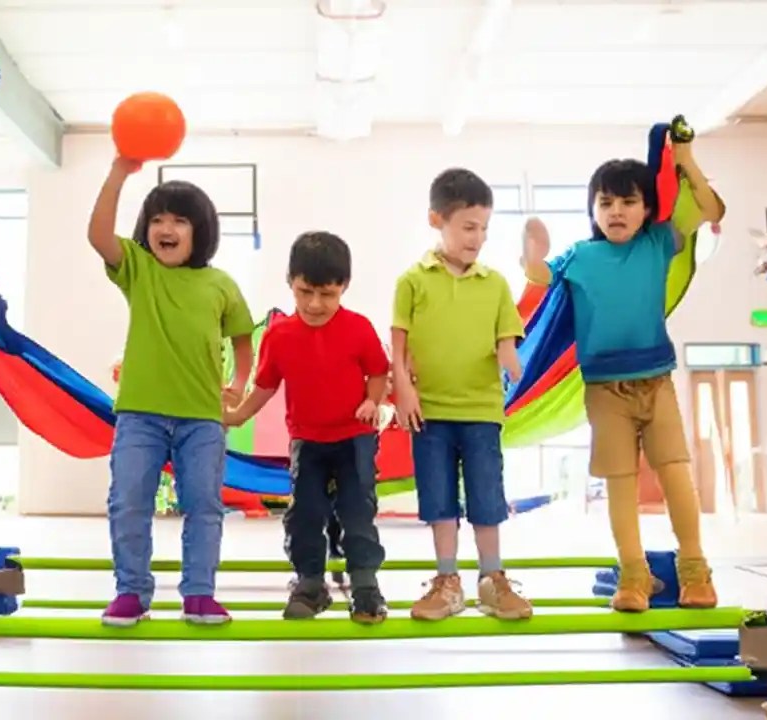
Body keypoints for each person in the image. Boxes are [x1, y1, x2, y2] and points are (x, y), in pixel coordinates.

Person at [524, 134, 725, 612]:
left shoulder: (660, 242)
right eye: (605, 202)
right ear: (592, 209)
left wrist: (687, 160)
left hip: (656, 382)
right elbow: (540, 277)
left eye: (628, 201)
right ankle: (633, 575)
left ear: (646, 208)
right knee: (619, 484)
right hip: (604, 390)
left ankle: (694, 569)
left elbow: (711, 210)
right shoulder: (580, 255)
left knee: (676, 475)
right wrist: (532, 253)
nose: (616, 211)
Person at [88, 156, 255, 627]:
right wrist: (119, 171)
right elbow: (98, 235)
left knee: (204, 504)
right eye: (157, 219)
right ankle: (132, 592)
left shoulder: (220, 284)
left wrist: (239, 383)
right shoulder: (139, 268)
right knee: (128, 501)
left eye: (179, 219)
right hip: (140, 414)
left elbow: (243, 339)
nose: (166, 227)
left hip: (202, 417)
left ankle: (199, 593)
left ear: (200, 230)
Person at [391, 168, 533, 622]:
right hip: (429, 411)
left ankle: (492, 579)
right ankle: (447, 580)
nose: (478, 238)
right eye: (469, 227)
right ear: (438, 220)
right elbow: (398, 347)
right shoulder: (412, 280)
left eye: (485, 228)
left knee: (487, 496)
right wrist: (404, 394)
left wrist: (513, 362)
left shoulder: (495, 283)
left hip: (481, 410)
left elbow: (507, 340)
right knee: (438, 499)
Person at [226, 231, 390, 624]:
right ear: (290, 283)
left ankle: (365, 584)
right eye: (305, 292)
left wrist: (373, 400)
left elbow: (378, 371)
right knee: (304, 513)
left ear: (343, 288)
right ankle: (311, 583)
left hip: (354, 437)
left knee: (357, 509)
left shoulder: (358, 328)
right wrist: (238, 414)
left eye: (327, 294)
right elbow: (265, 384)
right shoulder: (280, 335)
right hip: (308, 441)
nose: (315, 304)